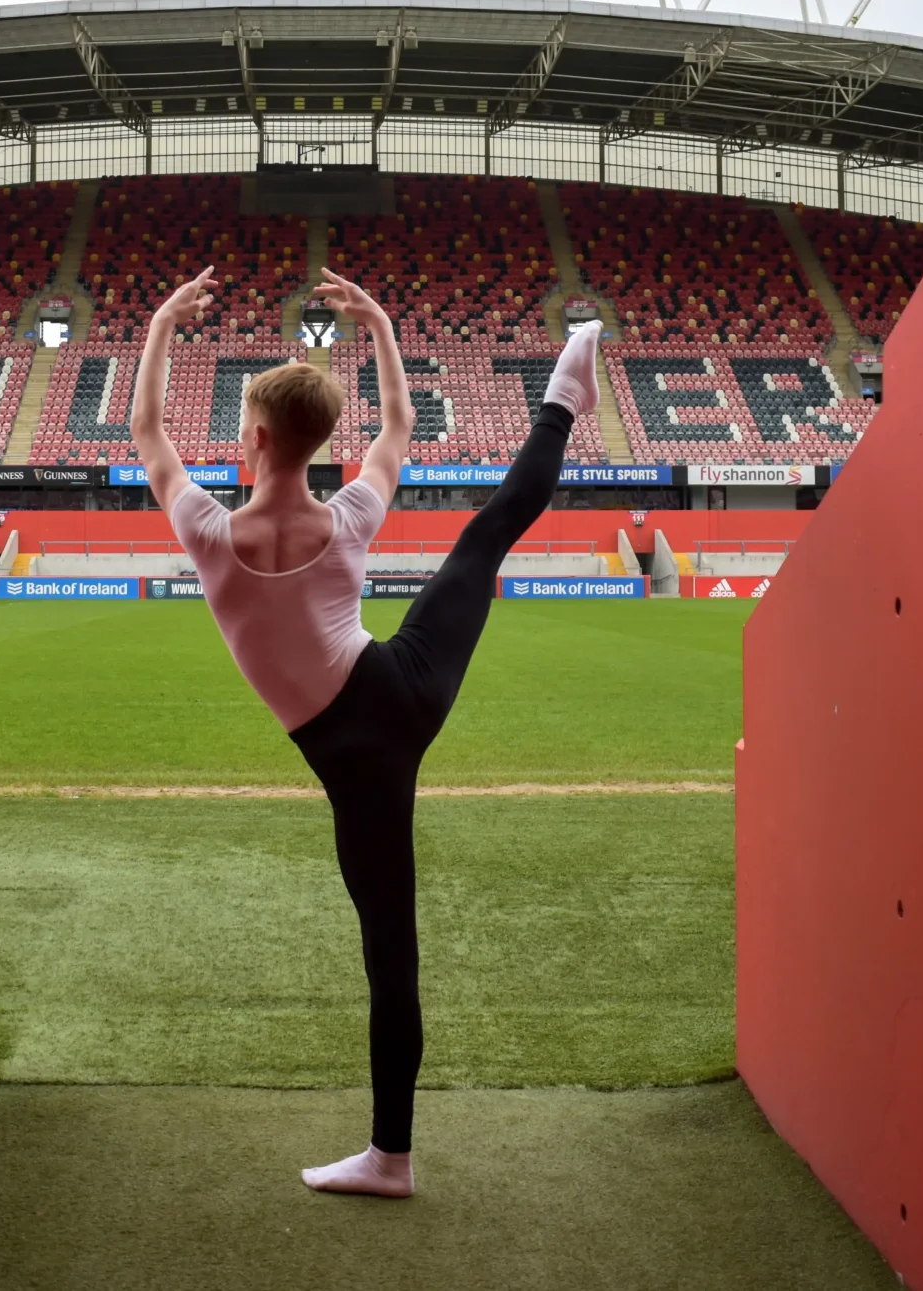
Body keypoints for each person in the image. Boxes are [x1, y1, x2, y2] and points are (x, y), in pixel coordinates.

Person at [129, 263, 601, 1198]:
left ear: (253, 439)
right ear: (320, 442)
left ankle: (392, 1158)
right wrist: (381, 321)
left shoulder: (210, 533)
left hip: (361, 751)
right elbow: (398, 429)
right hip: (403, 684)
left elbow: (146, 430)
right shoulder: (349, 513)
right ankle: (563, 392)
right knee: (490, 531)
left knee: (393, 949)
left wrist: (162, 322)